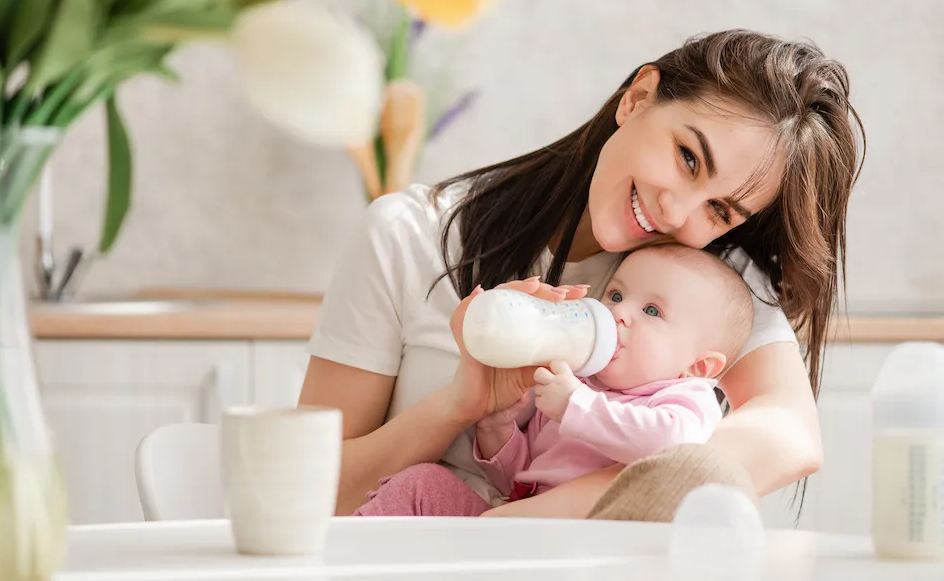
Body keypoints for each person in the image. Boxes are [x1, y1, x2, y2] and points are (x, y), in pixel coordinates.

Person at [300, 29, 865, 518]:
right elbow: (306, 491)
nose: (676, 212)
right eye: (688, 157)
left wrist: (520, 527)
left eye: (720, 209)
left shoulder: (708, 280)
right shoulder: (409, 235)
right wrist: (457, 408)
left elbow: (790, 436)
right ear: (638, 98)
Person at [351, 244, 755, 517]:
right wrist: (498, 428)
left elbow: (674, 446)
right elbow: (520, 478)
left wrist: (576, 406)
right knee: (424, 483)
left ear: (698, 366)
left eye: (652, 311)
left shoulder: (684, 397)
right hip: (514, 522)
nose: (619, 313)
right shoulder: (577, 380)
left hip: (585, 543)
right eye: (616, 296)